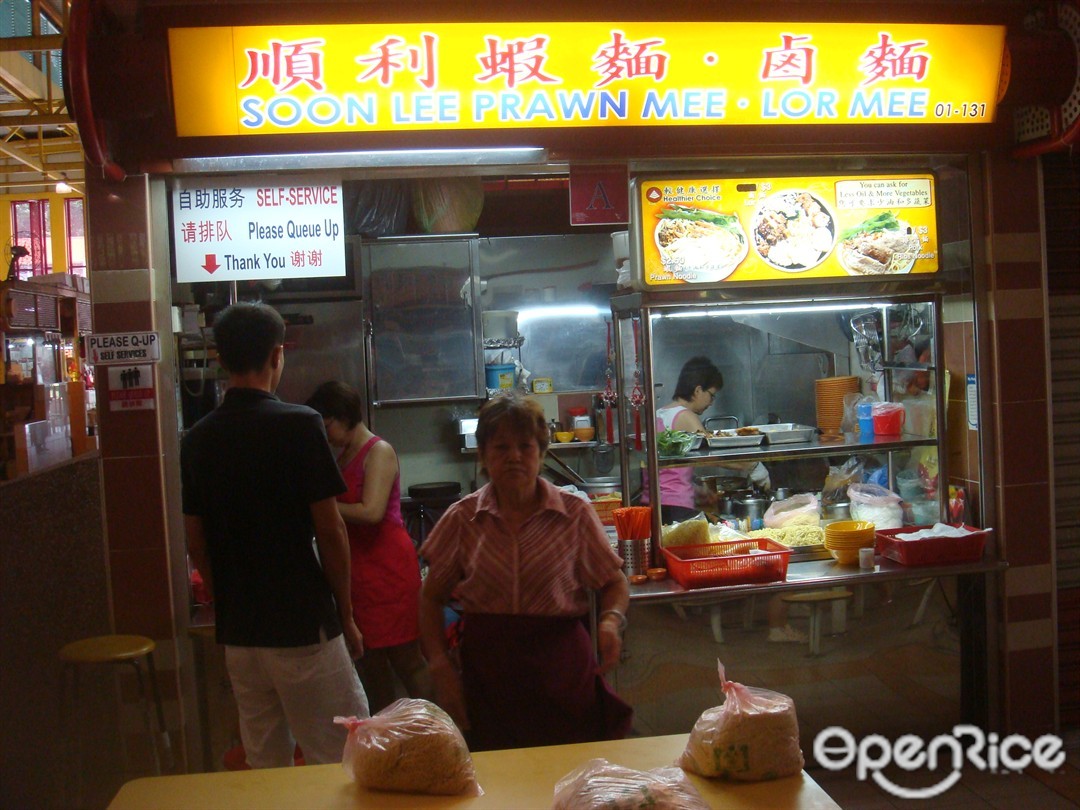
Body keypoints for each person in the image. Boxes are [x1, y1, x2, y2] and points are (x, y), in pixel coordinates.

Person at [181, 302, 368, 768]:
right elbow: (331, 530)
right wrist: (346, 614)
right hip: (301, 623)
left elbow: (195, 540)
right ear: (277, 355)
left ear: (221, 358)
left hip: (241, 635)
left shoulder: (197, 438)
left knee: (265, 764)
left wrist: (228, 601)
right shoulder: (299, 424)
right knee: (343, 754)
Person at [418, 395, 633, 751]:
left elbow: (613, 582)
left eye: (525, 446)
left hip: (563, 673)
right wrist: (440, 666)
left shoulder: (574, 513)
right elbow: (430, 598)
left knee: (569, 772)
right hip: (488, 676)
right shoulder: (463, 518)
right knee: (498, 776)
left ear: (541, 452)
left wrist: (610, 621)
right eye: (501, 447)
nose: (514, 456)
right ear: (483, 454)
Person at [305, 380, 433, 713]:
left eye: (327, 426)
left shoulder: (379, 451)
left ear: (343, 416)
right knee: (370, 663)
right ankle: (386, 737)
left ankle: (437, 729)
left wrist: (321, 507)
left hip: (388, 569)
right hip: (358, 573)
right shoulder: (343, 456)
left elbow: (371, 511)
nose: (326, 435)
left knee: (408, 659)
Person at [657, 357, 803, 643]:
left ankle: (687, 625)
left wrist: (697, 488)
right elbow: (714, 454)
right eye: (711, 395)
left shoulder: (661, 412)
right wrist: (752, 466)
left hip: (662, 503)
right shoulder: (685, 416)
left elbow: (673, 466)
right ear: (697, 390)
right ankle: (716, 627)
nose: (711, 402)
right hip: (679, 505)